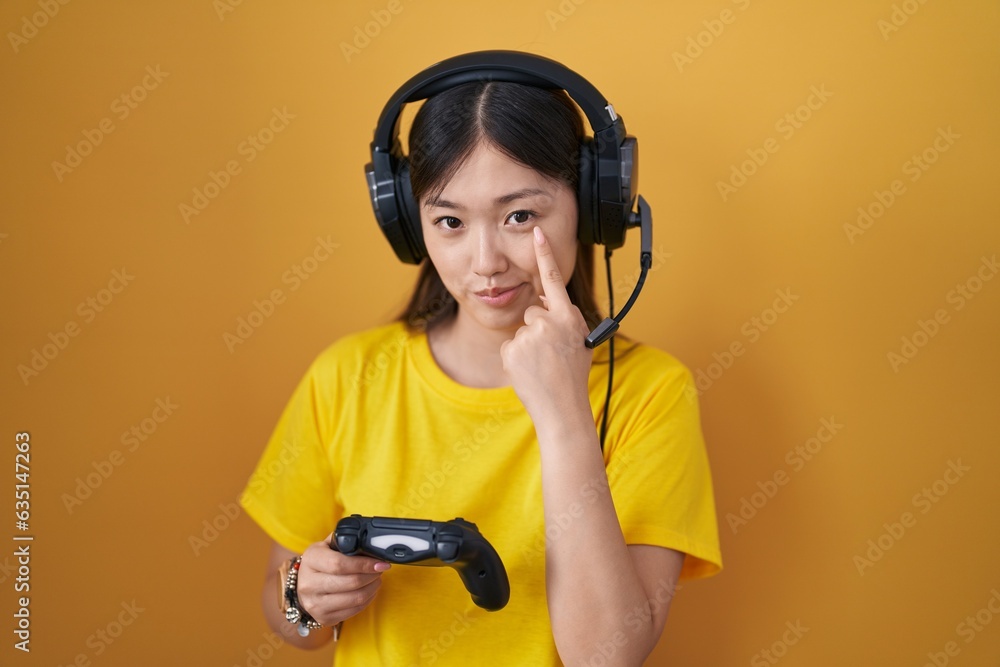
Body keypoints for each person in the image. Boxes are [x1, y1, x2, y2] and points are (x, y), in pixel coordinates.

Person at [239, 53, 722, 666]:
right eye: (450, 221)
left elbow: (606, 657)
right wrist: (303, 596)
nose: (485, 260)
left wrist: (565, 413)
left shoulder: (652, 392)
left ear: (592, 208)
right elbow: (289, 615)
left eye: (520, 215)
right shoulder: (346, 376)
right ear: (411, 227)